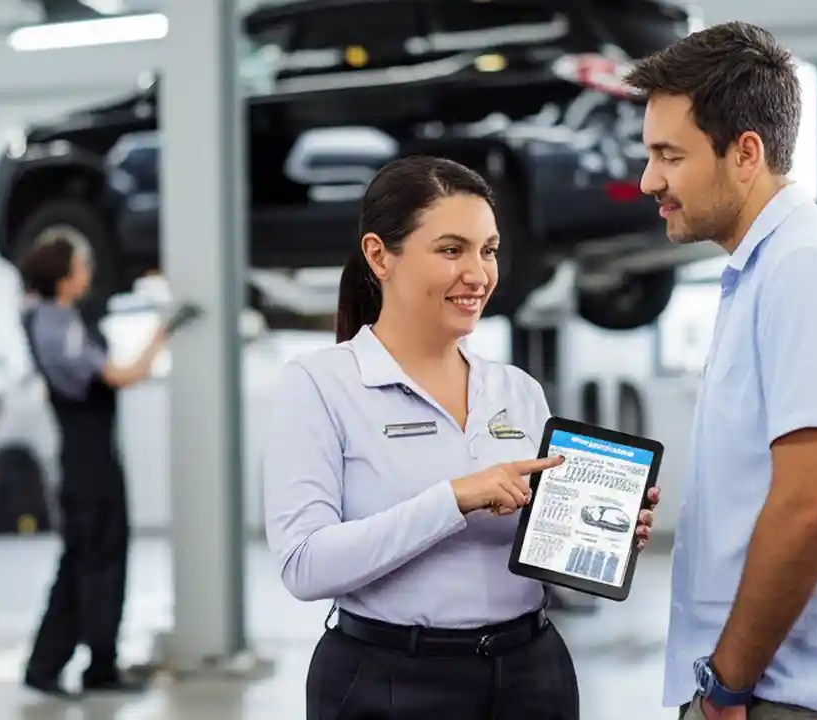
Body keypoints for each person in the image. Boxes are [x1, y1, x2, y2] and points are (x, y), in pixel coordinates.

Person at [262, 155, 660, 720]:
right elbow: (305, 565)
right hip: (391, 683)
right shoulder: (321, 384)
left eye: (489, 250)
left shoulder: (516, 390)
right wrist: (454, 499)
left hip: (532, 674)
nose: (478, 273)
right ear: (380, 256)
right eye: (452, 250)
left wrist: (598, 527)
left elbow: (528, 536)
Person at [625, 22, 817, 720]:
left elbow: (813, 503)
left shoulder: (806, 267)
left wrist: (726, 686)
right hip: (770, 689)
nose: (649, 181)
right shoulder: (764, 271)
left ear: (746, 153)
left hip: (793, 698)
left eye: (670, 156)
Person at [16, 236, 174, 698]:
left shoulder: (49, 318)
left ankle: (64, 665)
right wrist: (161, 334)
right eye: (81, 264)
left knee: (86, 561)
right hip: (89, 466)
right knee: (97, 561)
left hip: (90, 459)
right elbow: (117, 375)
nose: (89, 269)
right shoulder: (55, 325)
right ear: (64, 279)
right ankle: (84, 667)